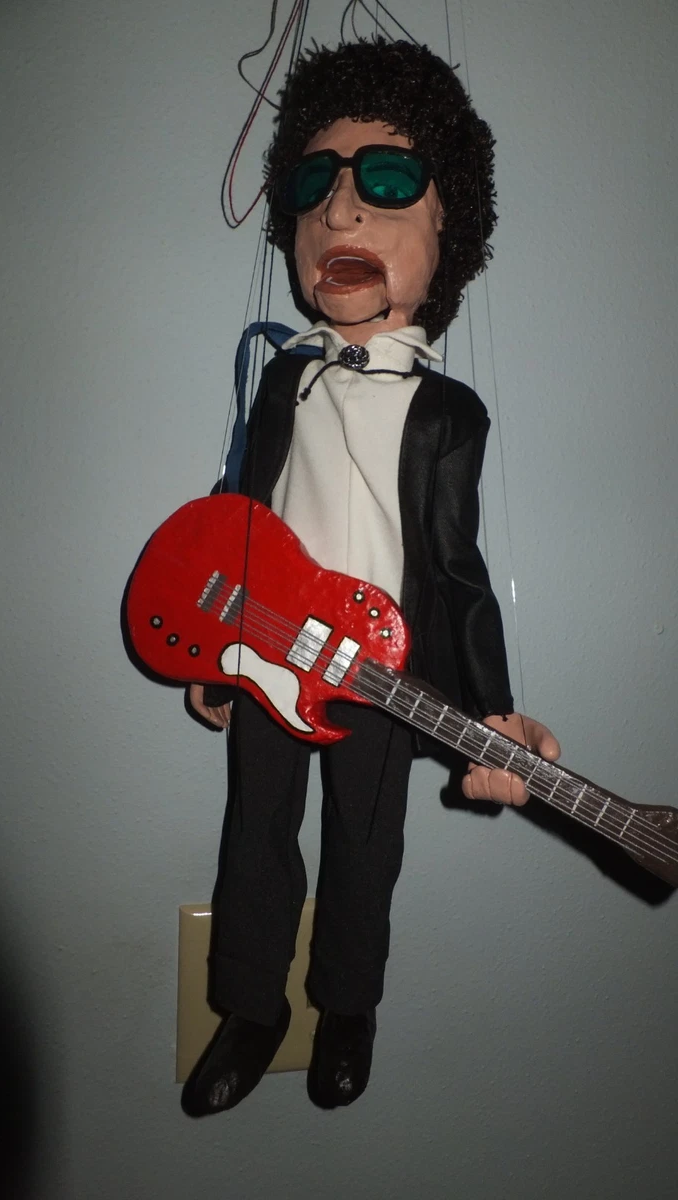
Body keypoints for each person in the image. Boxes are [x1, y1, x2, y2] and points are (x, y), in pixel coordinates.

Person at [181, 39, 559, 1117]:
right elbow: (241, 512)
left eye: (386, 179)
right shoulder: (282, 383)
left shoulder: (448, 414)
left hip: (383, 673)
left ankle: (348, 1007)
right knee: (254, 831)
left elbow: (456, 567)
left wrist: (490, 714)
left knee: (365, 841)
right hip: (264, 647)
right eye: (317, 182)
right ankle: (249, 1008)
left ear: (449, 232)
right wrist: (209, 644)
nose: (342, 208)